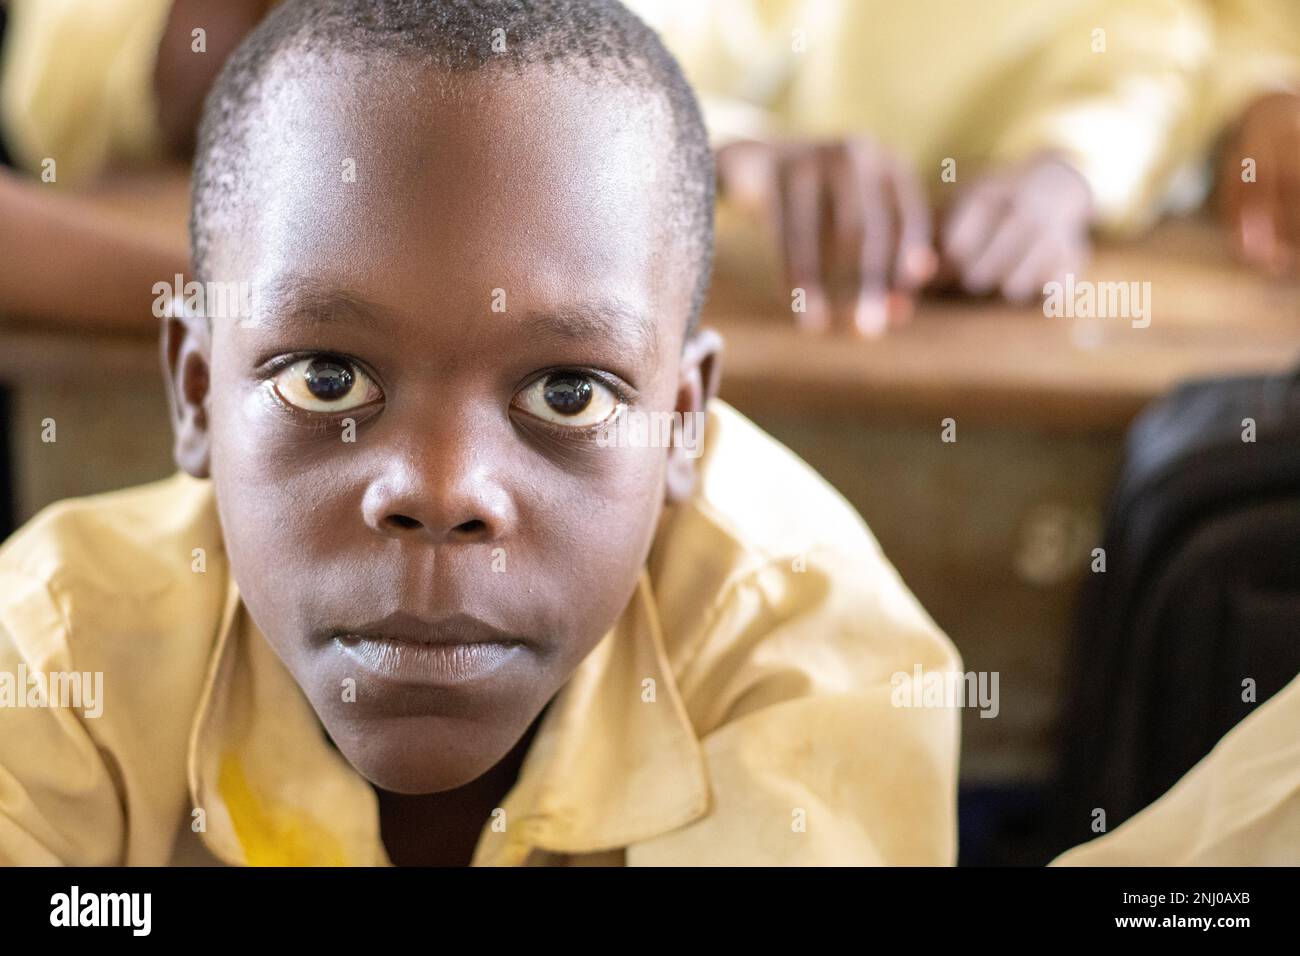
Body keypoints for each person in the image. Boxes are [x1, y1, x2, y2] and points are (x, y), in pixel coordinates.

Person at [0, 0, 960, 866]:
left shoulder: (805, 655)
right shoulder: (57, 648)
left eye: (569, 394)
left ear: (681, 423)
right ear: (199, 393)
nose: (442, 491)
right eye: (327, 381)